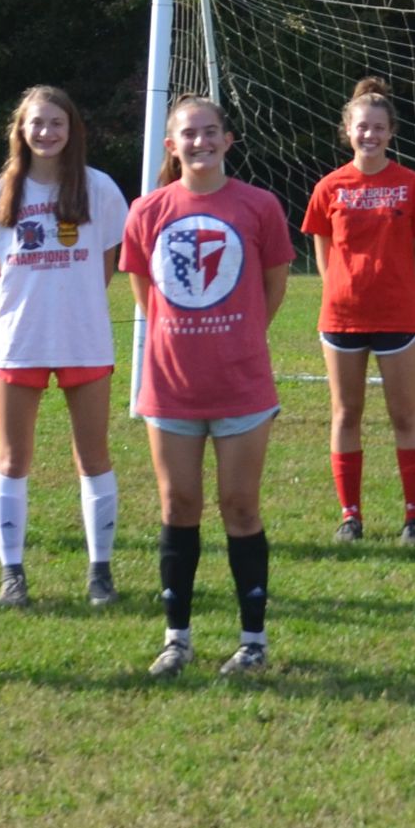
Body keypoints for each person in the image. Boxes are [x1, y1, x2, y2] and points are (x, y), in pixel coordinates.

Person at [120, 95, 294, 676]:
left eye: (210, 132)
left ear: (227, 140)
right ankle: (178, 638)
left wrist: (235, 337)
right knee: (179, 505)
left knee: (241, 508)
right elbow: (147, 294)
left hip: (242, 382)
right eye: (188, 135)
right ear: (171, 146)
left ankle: (253, 642)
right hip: (171, 386)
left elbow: (271, 289)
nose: (200, 142)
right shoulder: (147, 211)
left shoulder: (259, 206)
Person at [0, 84, 128, 610]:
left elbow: (105, 263)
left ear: (72, 129)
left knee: (94, 456)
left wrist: (70, 304)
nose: (46, 132)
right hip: (19, 341)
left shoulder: (98, 189)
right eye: (36, 123)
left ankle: (100, 572)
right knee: (12, 458)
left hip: (83, 337)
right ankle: (13, 574)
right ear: (21, 130)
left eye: (56, 123)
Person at [303, 79, 415, 547]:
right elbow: (324, 255)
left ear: (391, 132)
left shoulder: (413, 186)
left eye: (379, 128)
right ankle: (350, 517)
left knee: (405, 415)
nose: (370, 135)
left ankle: (414, 518)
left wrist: (398, 290)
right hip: (341, 317)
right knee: (346, 414)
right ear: (348, 130)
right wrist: (344, 291)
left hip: (398, 317)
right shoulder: (329, 187)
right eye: (362, 127)